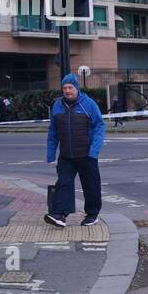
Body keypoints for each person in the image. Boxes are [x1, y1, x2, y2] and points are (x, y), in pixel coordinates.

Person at [44, 73, 105, 228]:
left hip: (86, 154)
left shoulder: (88, 104)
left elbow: (100, 126)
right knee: (63, 183)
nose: (67, 91)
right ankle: (60, 214)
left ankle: (92, 214)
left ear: (76, 88)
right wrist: (51, 153)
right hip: (66, 155)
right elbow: (53, 131)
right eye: (64, 88)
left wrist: (94, 151)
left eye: (70, 87)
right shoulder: (57, 105)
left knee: (90, 185)